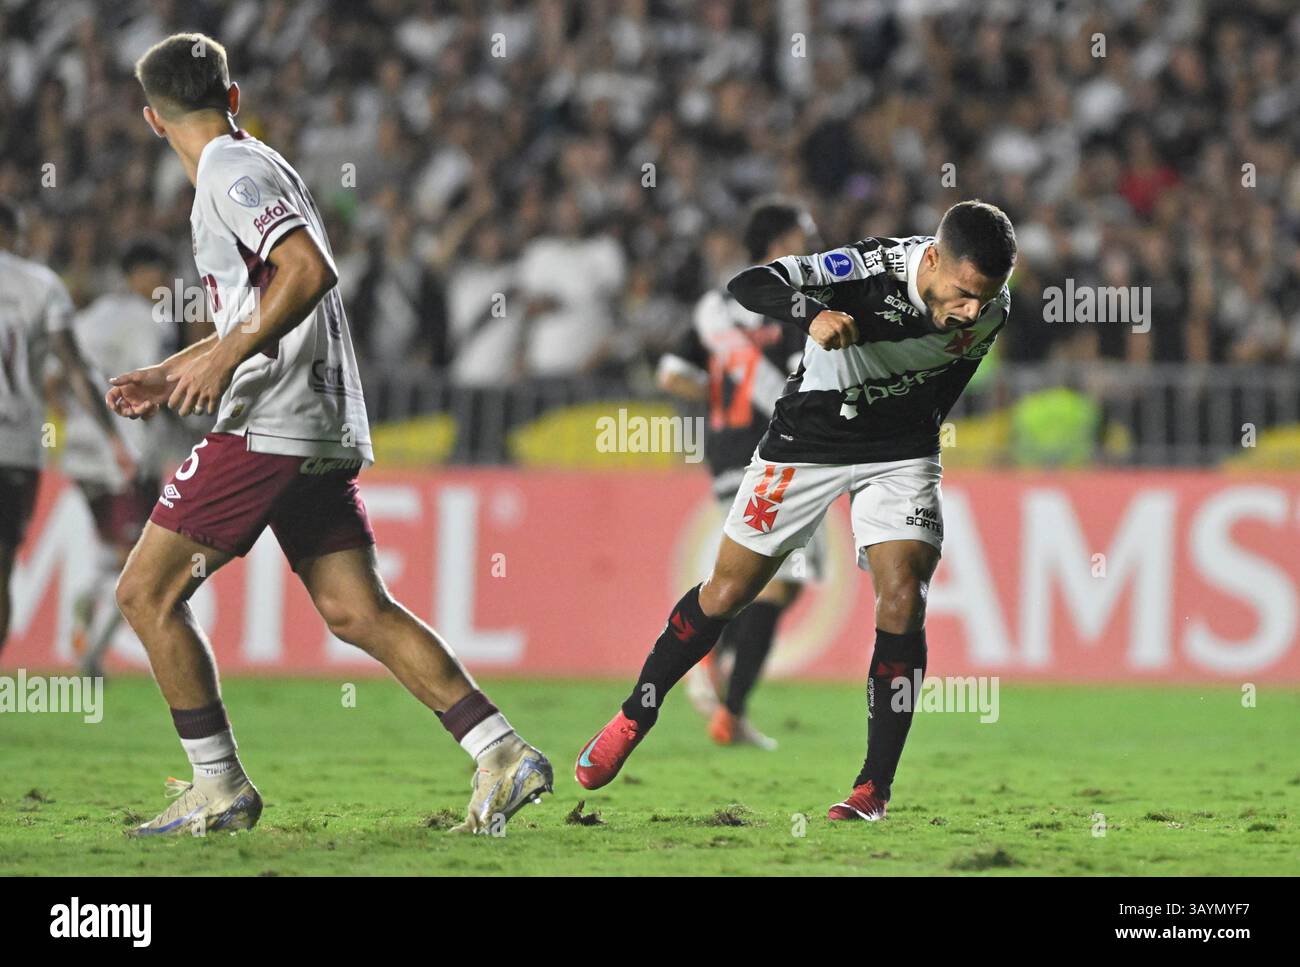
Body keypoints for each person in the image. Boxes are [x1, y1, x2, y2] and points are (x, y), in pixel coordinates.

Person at [107, 33, 551, 837]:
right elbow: (264, 299)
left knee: (145, 592)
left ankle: (218, 785)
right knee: (355, 608)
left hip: (271, 418)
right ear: (233, 97)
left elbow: (310, 271)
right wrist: (174, 371)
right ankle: (500, 749)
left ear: (151, 119)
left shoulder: (227, 172)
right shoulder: (258, 160)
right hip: (312, 414)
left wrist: (231, 353)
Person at [576, 200, 1016, 823]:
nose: (971, 311)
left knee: (904, 595)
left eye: (986, 296)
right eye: (963, 293)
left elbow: (945, 378)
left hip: (900, 450)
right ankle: (634, 714)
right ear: (934, 259)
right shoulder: (868, 268)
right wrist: (816, 313)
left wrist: (914, 428)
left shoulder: (993, 306)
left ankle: (873, 789)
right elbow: (751, 283)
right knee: (727, 591)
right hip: (809, 440)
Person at [656, 197, 825, 749]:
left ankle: (723, 681)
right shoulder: (795, 304)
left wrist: (728, 393)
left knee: (774, 581)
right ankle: (726, 694)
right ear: (779, 244)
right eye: (805, 233)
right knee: (779, 580)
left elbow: (671, 375)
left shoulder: (718, 306)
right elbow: (814, 372)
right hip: (779, 453)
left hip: (730, 456)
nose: (813, 241)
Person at [0, 197, 135, 656]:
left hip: (37, 448)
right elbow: (75, 370)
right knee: (2, 569)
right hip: (16, 449)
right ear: (14, 235)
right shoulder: (41, 285)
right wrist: (114, 434)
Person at [54, 239, 179, 677]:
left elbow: (56, 377)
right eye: (159, 275)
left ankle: (87, 599)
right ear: (140, 274)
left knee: (116, 552)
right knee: (141, 562)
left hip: (82, 453)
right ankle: (92, 654)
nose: (163, 285)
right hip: (126, 456)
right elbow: (152, 386)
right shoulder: (148, 321)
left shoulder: (87, 318)